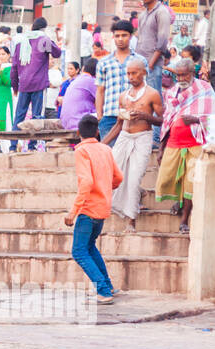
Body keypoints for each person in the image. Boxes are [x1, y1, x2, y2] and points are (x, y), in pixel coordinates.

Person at [156, 57, 215, 233]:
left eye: (184, 75)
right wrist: (161, 148)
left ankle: (185, 219)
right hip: (174, 143)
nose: (180, 79)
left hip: (196, 143)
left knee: (191, 182)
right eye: (178, 75)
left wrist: (195, 119)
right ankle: (180, 201)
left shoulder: (205, 89)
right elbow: (168, 120)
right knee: (168, 178)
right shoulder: (173, 91)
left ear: (192, 73)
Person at [66, 114, 123, 304]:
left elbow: (87, 182)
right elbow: (118, 177)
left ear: (78, 133)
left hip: (88, 209)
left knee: (79, 251)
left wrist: (73, 212)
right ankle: (107, 285)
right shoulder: (105, 149)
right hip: (103, 207)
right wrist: (105, 187)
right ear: (98, 132)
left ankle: (104, 290)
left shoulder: (81, 151)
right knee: (89, 246)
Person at [103, 61, 163, 231]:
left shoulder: (153, 94)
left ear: (143, 73)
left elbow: (164, 119)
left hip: (143, 137)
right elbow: (118, 125)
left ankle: (131, 221)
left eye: (134, 73)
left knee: (134, 178)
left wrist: (146, 116)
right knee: (112, 173)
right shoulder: (123, 96)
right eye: (128, 74)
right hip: (124, 136)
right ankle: (138, 193)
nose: (131, 77)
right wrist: (100, 144)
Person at [11, 17, 62, 150]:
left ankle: (12, 146)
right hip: (39, 85)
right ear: (44, 28)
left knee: (19, 116)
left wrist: (15, 86)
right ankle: (32, 146)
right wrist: (48, 37)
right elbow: (57, 53)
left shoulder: (20, 42)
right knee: (37, 116)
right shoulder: (43, 40)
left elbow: (14, 67)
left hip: (23, 84)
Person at [95, 19, 148, 142]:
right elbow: (100, 90)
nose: (120, 39)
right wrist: (100, 116)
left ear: (130, 36)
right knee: (110, 157)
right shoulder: (104, 62)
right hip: (110, 117)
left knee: (131, 157)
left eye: (124, 35)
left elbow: (145, 90)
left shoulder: (140, 61)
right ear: (113, 37)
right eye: (117, 36)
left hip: (134, 117)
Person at [136, 0, 174, 95]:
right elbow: (139, 38)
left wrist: (151, 64)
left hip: (153, 64)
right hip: (140, 63)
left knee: (153, 99)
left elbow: (163, 40)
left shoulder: (162, 12)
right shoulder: (143, 14)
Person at [60, 57, 99, 130]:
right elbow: (102, 100)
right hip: (79, 122)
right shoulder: (91, 81)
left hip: (66, 123)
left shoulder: (77, 80)